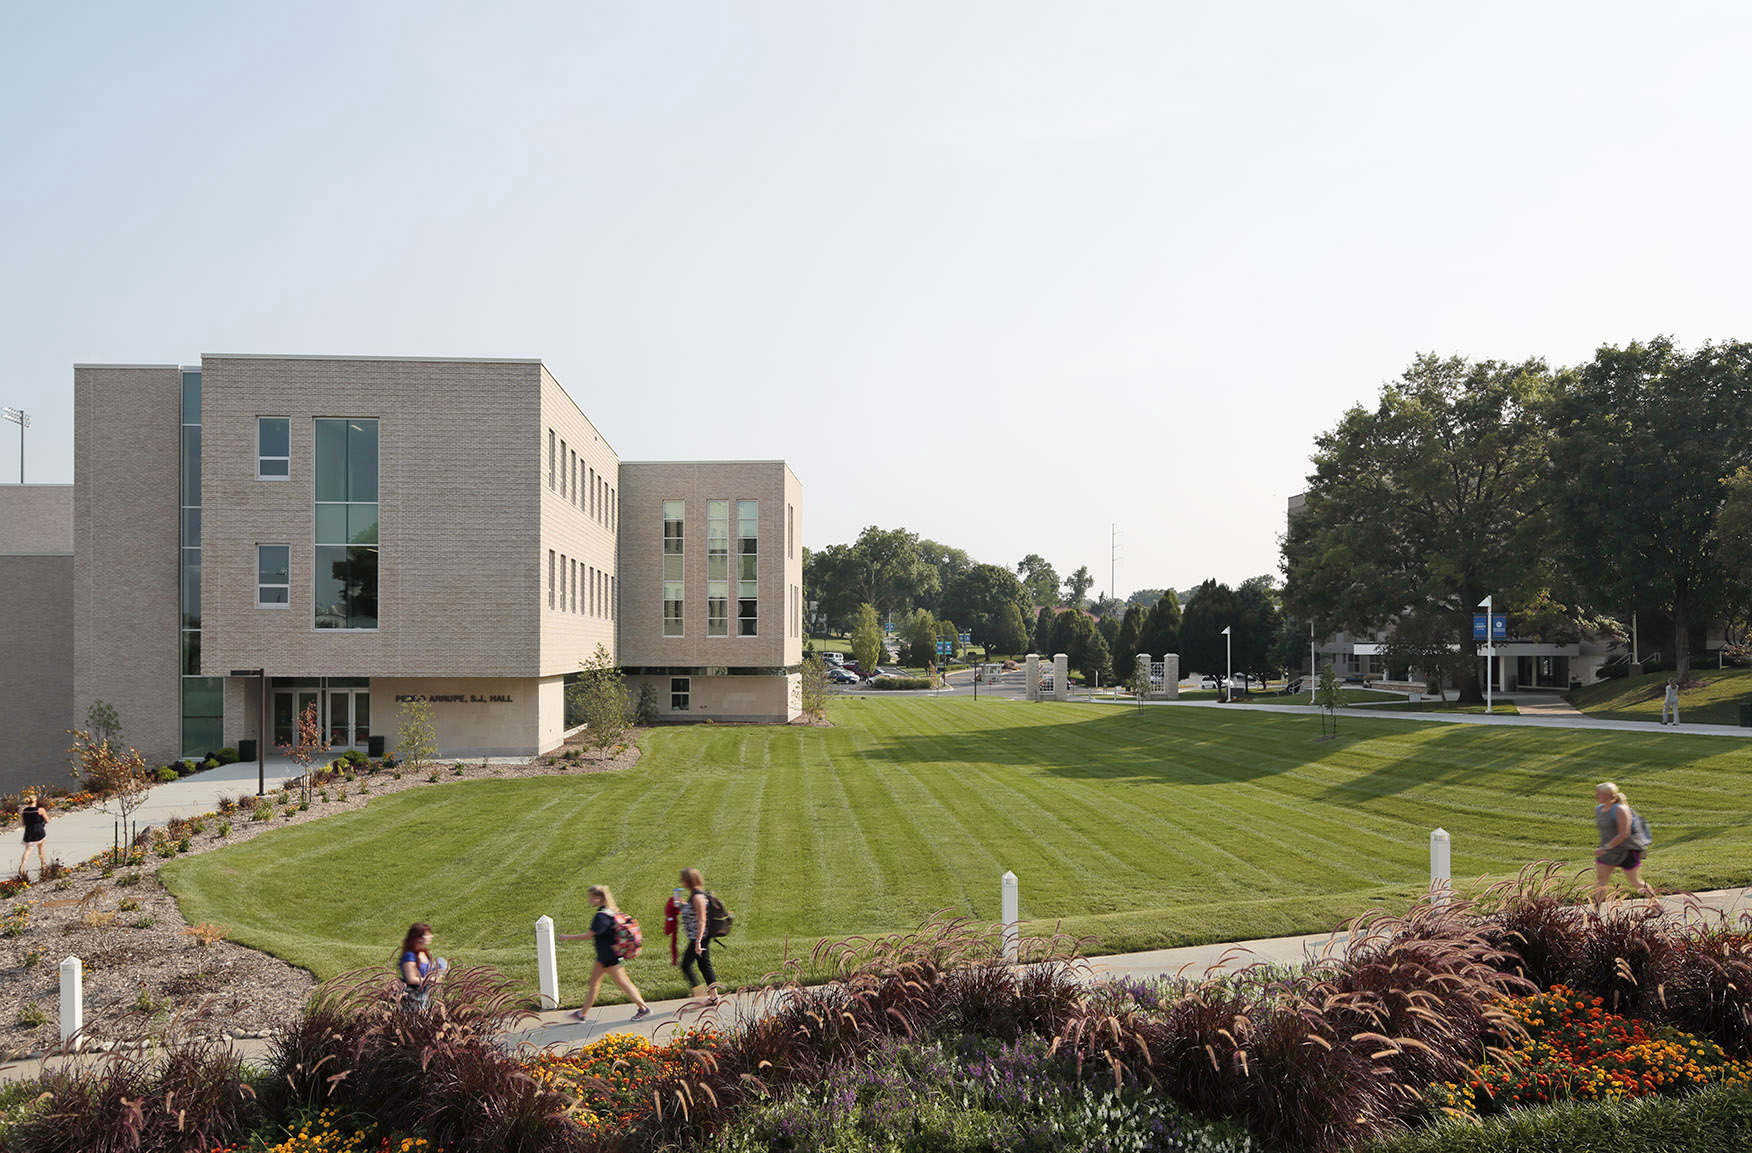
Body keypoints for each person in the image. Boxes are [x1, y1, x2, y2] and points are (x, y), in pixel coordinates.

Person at [559, 885, 651, 1022]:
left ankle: (643, 1008)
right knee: (595, 983)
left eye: (591, 897)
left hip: (608, 957)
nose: (589, 900)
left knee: (623, 984)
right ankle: (582, 1014)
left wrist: (567, 937)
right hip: (606, 956)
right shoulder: (610, 911)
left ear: (598, 898)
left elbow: (589, 935)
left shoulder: (601, 917)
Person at [1594, 782, 1655, 906]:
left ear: (1608, 795)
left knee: (1636, 882)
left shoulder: (1621, 809)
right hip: (1608, 852)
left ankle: (1656, 905)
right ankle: (1595, 913)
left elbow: (1624, 833)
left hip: (1627, 851)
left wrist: (1606, 847)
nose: (1597, 795)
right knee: (1601, 882)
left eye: (1600, 793)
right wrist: (1605, 848)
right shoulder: (1599, 809)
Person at [678, 867, 718, 999]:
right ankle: (713, 996)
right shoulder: (694, 895)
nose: (681, 882)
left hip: (700, 937)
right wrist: (683, 906)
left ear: (689, 880)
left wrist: (698, 942)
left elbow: (702, 920)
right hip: (697, 937)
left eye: (683, 879)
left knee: (686, 964)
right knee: (704, 965)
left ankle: (700, 992)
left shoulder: (697, 897)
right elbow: (694, 913)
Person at [398, 922, 448, 1009]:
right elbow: (410, 979)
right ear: (418, 938)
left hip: (425, 996)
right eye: (427, 934)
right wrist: (429, 980)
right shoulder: (409, 955)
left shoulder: (424, 952)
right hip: (414, 998)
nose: (431, 936)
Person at [18, 792, 48, 880]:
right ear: (35, 801)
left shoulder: (25, 811)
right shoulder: (40, 810)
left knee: (28, 850)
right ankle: (43, 865)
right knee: (41, 849)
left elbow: (23, 823)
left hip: (29, 831)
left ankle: (22, 865)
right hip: (39, 830)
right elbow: (47, 820)